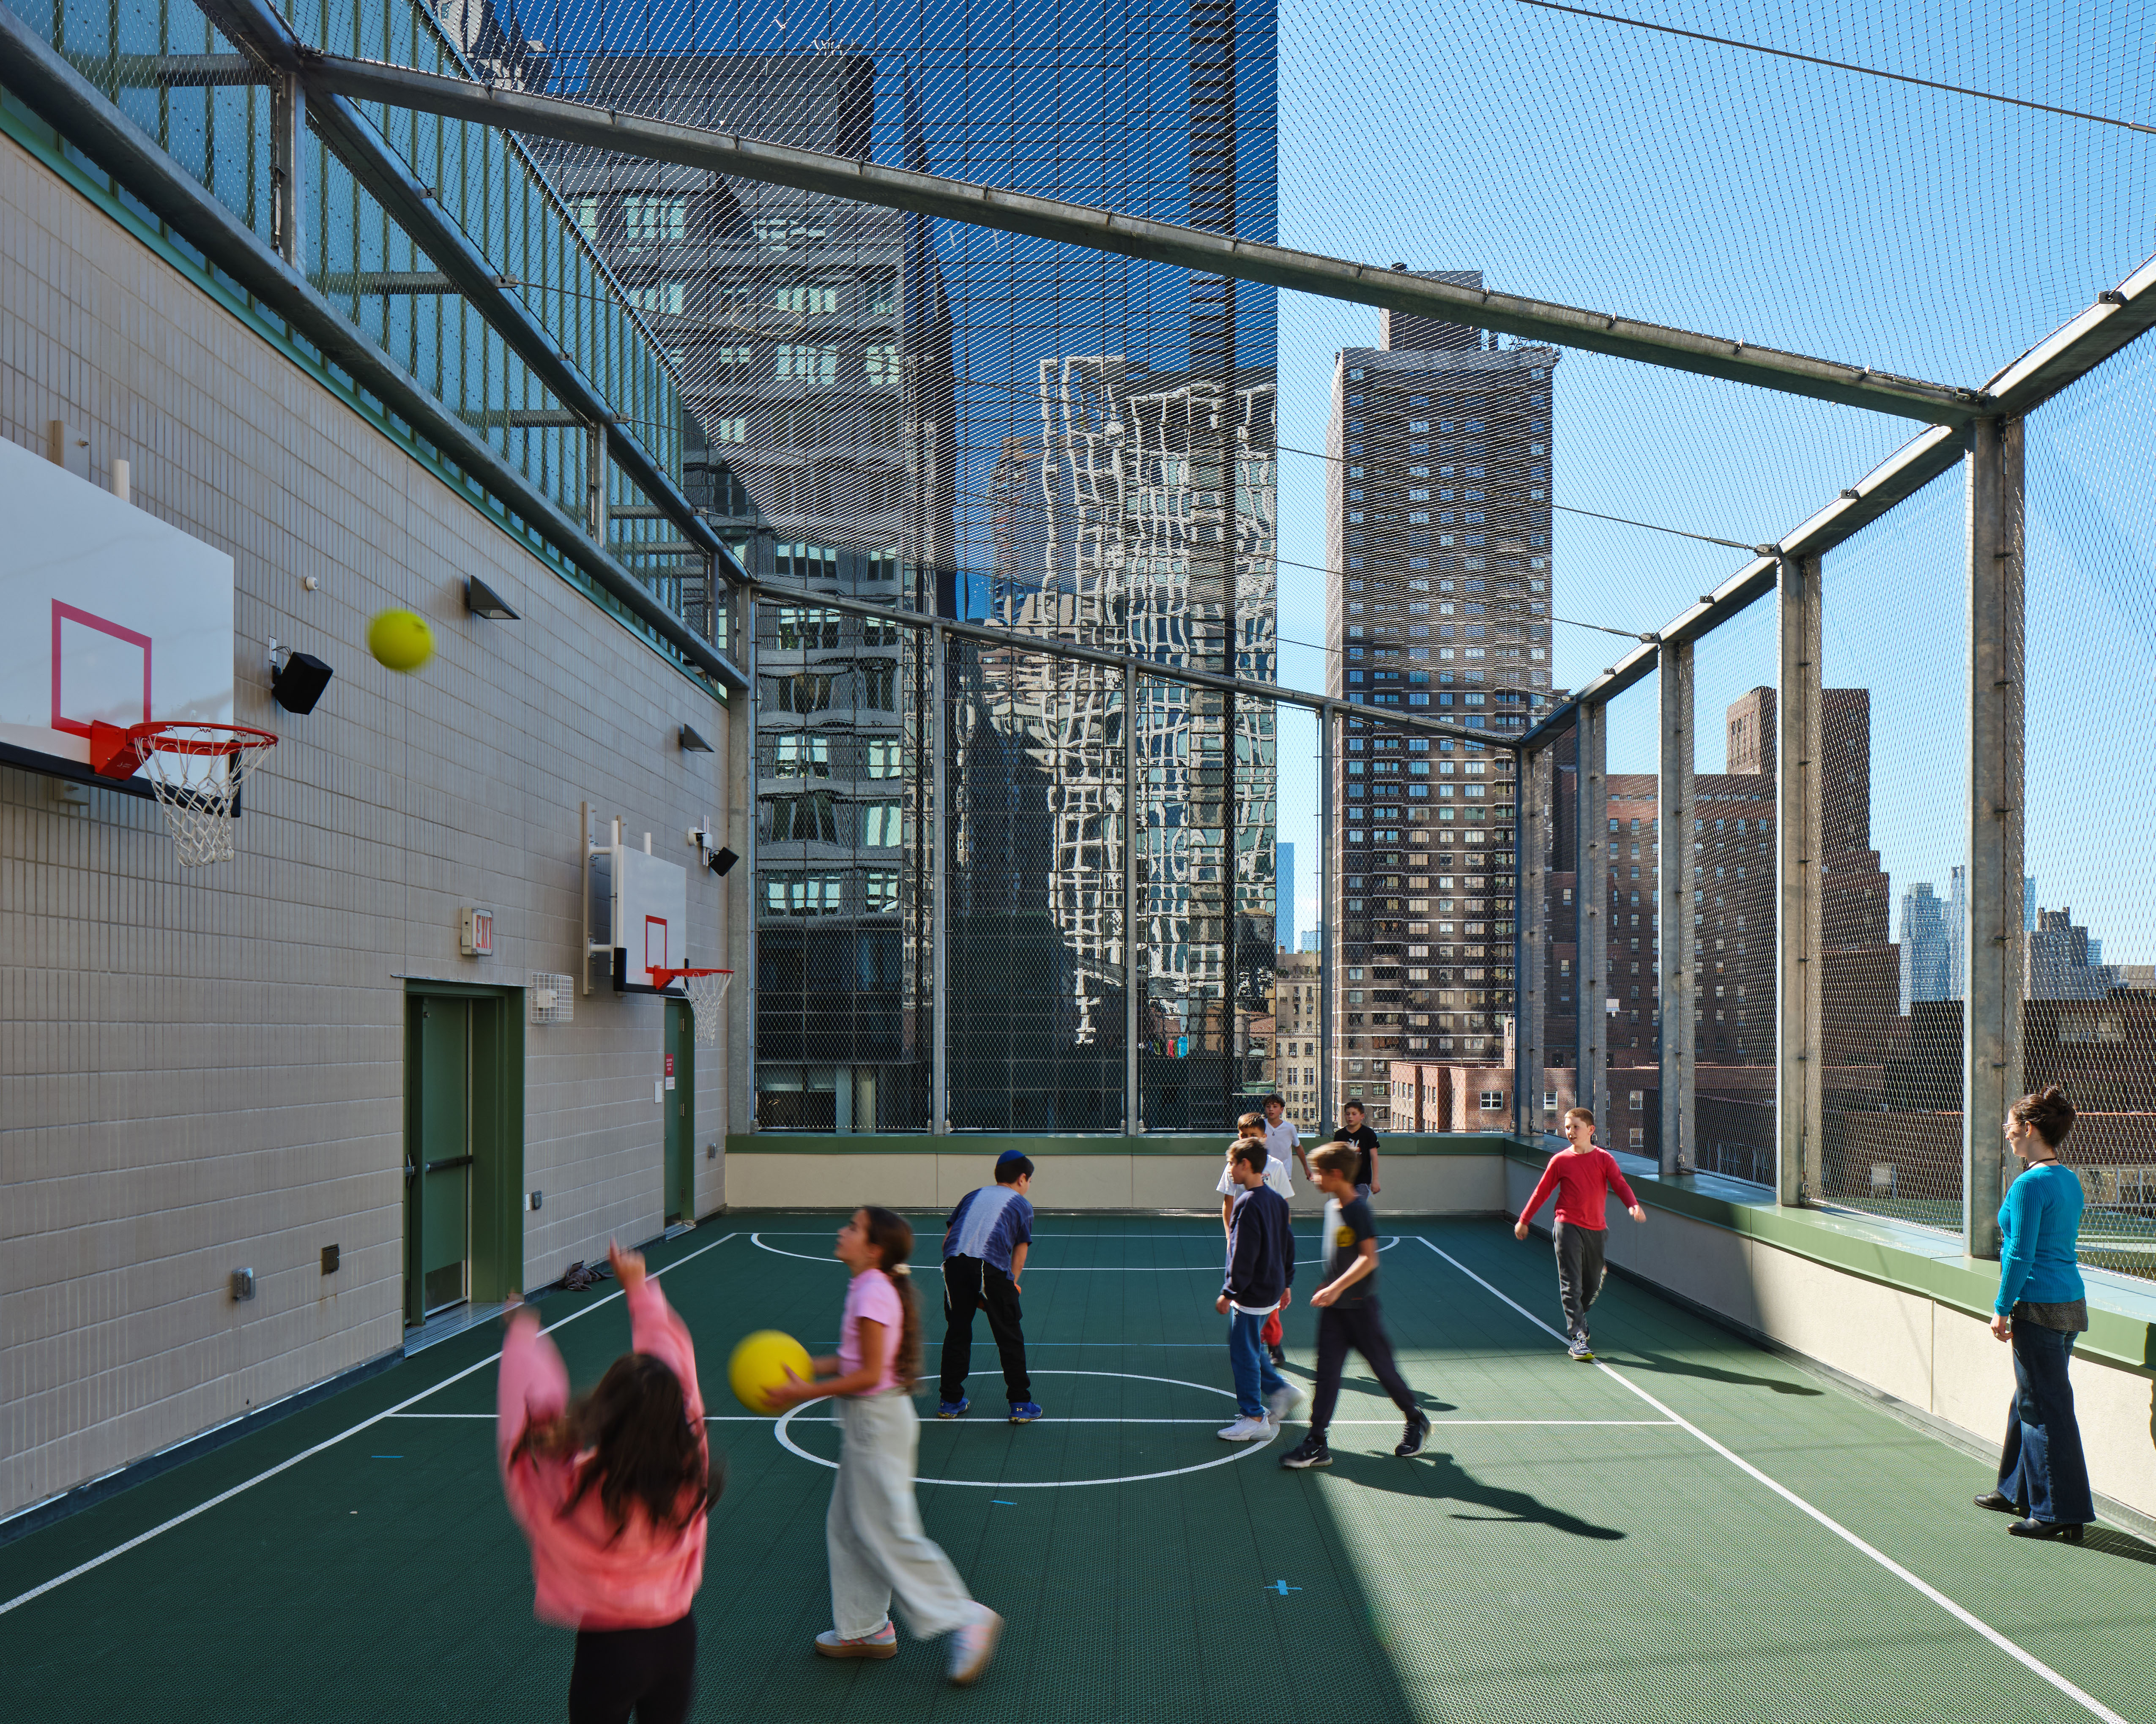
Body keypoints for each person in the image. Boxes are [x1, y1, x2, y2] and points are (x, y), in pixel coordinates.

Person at [763, 1207, 1002, 1684]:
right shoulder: (869, 1285)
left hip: (877, 1424)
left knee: (890, 1531)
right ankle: (865, 1629)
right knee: (850, 1525)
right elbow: (854, 1358)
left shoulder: (874, 1290)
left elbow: (870, 1374)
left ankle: (965, 1615)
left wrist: (802, 1391)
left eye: (852, 1227)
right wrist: (804, 1365)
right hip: (867, 1422)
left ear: (874, 1248)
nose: (841, 1230)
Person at [497, 1240, 714, 1724]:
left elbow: (527, 1427)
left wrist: (523, 1338)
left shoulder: (571, 1485)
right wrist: (640, 1290)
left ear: (605, 1411)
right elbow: (682, 1379)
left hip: (610, 1646)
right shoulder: (690, 1470)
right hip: (677, 1637)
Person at [1975, 1086, 2095, 1541]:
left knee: (2045, 1407)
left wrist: (2001, 1309)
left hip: (2039, 1306)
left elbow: (2020, 1253)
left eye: (2011, 1124)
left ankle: (2057, 1512)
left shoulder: (2029, 1184)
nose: (2007, 1131)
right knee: (2031, 1396)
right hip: (2070, 1303)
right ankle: (2014, 1488)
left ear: (2030, 1128)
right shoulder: (2067, 1178)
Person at [1280, 1142, 1431, 1470]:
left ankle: (1416, 1418)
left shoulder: (1357, 1209)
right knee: (1327, 1374)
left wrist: (1335, 1286)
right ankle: (1317, 1441)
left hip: (1360, 1310)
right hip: (1337, 1310)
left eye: (1319, 1172)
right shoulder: (1335, 1207)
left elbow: (1368, 1258)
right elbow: (1343, 1256)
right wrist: (1330, 1281)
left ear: (1336, 1174)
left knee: (1384, 1371)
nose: (1315, 1178)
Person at [1513, 1107, 1646, 1361]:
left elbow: (1620, 1183)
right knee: (1571, 1283)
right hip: (1566, 1225)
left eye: (1576, 1127)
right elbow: (1541, 1192)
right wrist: (1524, 1221)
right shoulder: (1560, 1160)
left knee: (1592, 1283)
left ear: (1591, 1130)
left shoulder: (1604, 1159)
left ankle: (1579, 1319)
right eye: (1567, 1127)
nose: (1570, 1132)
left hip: (1596, 1230)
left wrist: (1633, 1205)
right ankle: (1577, 1338)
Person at [937, 1152, 1040, 1423]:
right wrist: (1012, 1283)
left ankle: (950, 1401)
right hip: (990, 1267)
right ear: (1022, 1179)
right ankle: (1020, 1404)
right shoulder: (1022, 1203)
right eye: (1029, 1180)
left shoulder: (972, 1196)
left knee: (958, 1331)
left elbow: (948, 1238)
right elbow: (1020, 1250)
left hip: (954, 1264)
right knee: (1009, 1334)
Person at [1216, 1139, 1302, 1440]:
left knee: (1243, 1353)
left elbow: (1243, 1252)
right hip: (1271, 1289)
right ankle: (1280, 1389)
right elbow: (1288, 1243)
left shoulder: (1247, 1202)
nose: (1229, 1169)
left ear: (1246, 1164)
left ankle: (1254, 1417)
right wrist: (1287, 1282)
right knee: (1248, 1343)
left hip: (1251, 1293)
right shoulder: (1277, 1200)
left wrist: (1230, 1291)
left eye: (1232, 1163)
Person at [1217, 1117, 1293, 1366]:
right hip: (1243, 1238)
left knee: (1263, 1297)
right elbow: (1227, 1206)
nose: (1247, 1139)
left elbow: (1284, 1208)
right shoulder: (1234, 1166)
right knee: (1243, 1293)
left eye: (1253, 1134)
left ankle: (1273, 1343)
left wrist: (1280, 1240)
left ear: (1264, 1138)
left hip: (1266, 1241)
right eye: (1243, 1135)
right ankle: (1244, 1343)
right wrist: (1231, 1237)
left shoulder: (1275, 1167)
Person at [1335, 1099, 1382, 1198]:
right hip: (1345, 1180)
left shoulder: (1368, 1134)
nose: (1350, 1116)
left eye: (1354, 1114)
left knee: (1358, 1206)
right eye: (1348, 1114)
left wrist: (1375, 1180)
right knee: (1346, 1208)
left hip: (1362, 1180)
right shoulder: (1340, 1135)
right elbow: (1336, 1158)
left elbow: (1374, 1157)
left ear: (1362, 1116)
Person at [1263, 1092, 1310, 1183]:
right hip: (1264, 1172)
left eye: (1275, 1107)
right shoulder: (1261, 1126)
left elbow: (1298, 1147)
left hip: (1284, 1172)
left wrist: (1306, 1168)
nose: (1271, 1110)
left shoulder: (1290, 1128)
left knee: (1283, 1198)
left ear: (1281, 1110)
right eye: (1268, 1107)